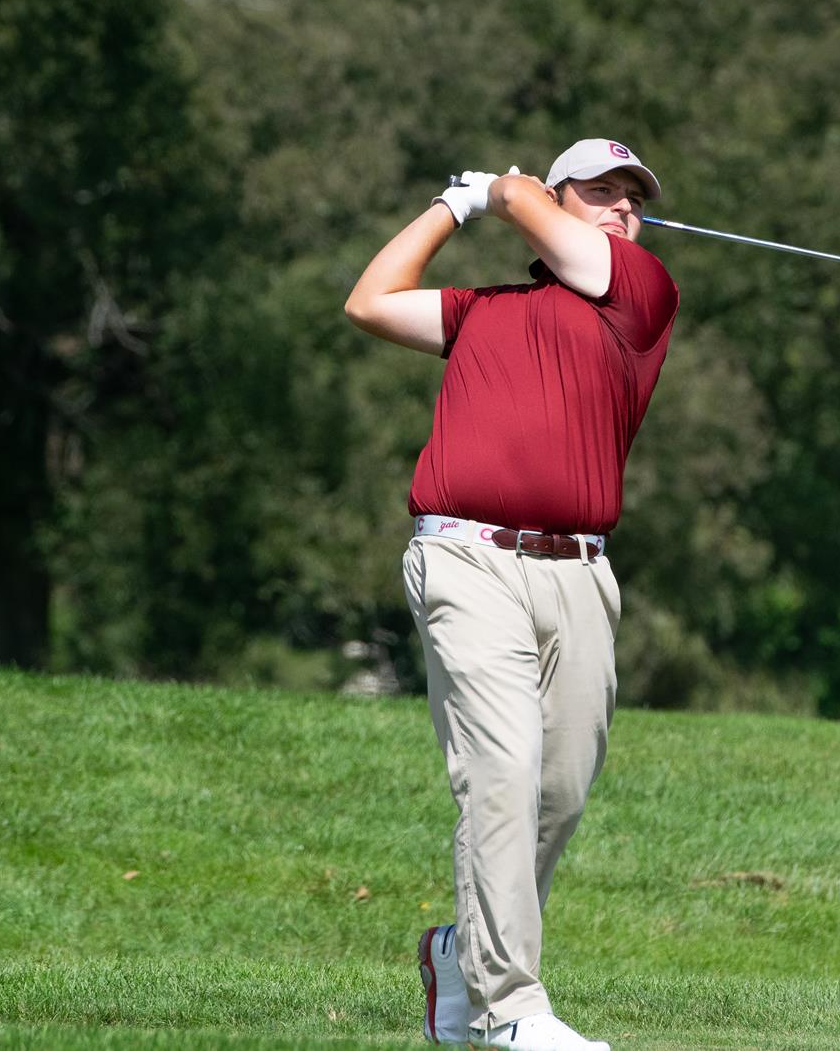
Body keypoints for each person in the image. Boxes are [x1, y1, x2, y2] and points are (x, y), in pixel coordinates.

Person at [344, 139, 679, 1051]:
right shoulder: (484, 310)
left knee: (557, 792)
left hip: (579, 573)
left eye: (633, 198)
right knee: (500, 770)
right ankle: (509, 1011)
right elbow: (369, 300)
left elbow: (577, 253)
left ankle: (458, 950)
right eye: (600, 192)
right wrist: (453, 207)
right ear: (559, 197)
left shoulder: (640, 295)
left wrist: (503, 188)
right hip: (466, 559)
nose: (620, 208)